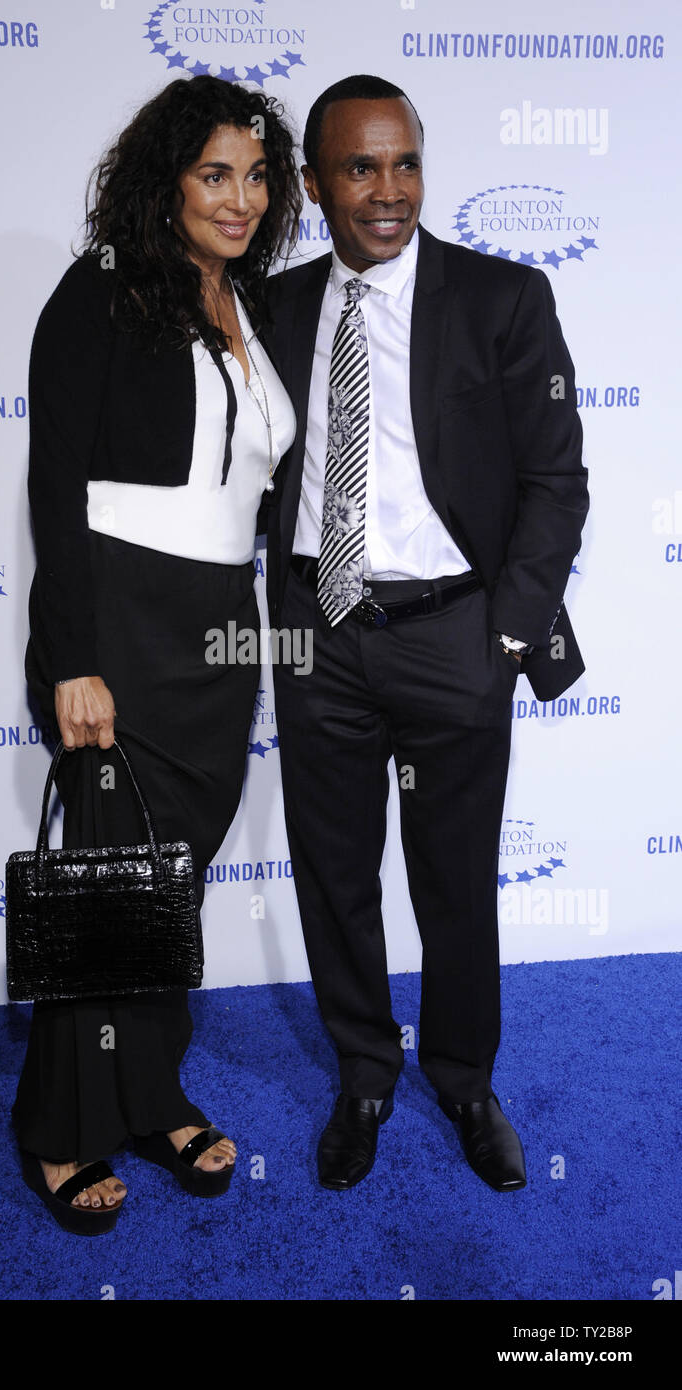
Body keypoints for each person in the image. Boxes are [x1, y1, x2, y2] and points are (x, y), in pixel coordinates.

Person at [265, 75, 589, 1192]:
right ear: (312, 185)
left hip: (455, 634)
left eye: (405, 163)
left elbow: (557, 482)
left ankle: (461, 1075)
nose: (389, 190)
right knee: (335, 873)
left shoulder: (503, 299)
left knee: (454, 878)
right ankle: (364, 1072)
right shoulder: (272, 309)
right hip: (319, 628)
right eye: (360, 168)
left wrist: (505, 636)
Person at [12, 75, 300, 1234]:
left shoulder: (255, 304)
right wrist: (72, 653)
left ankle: (151, 1090)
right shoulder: (100, 296)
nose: (241, 198)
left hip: (220, 628)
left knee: (169, 882)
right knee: (113, 887)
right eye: (215, 174)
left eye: (257, 175)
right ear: (168, 180)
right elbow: (56, 483)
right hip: (119, 624)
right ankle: (65, 1134)